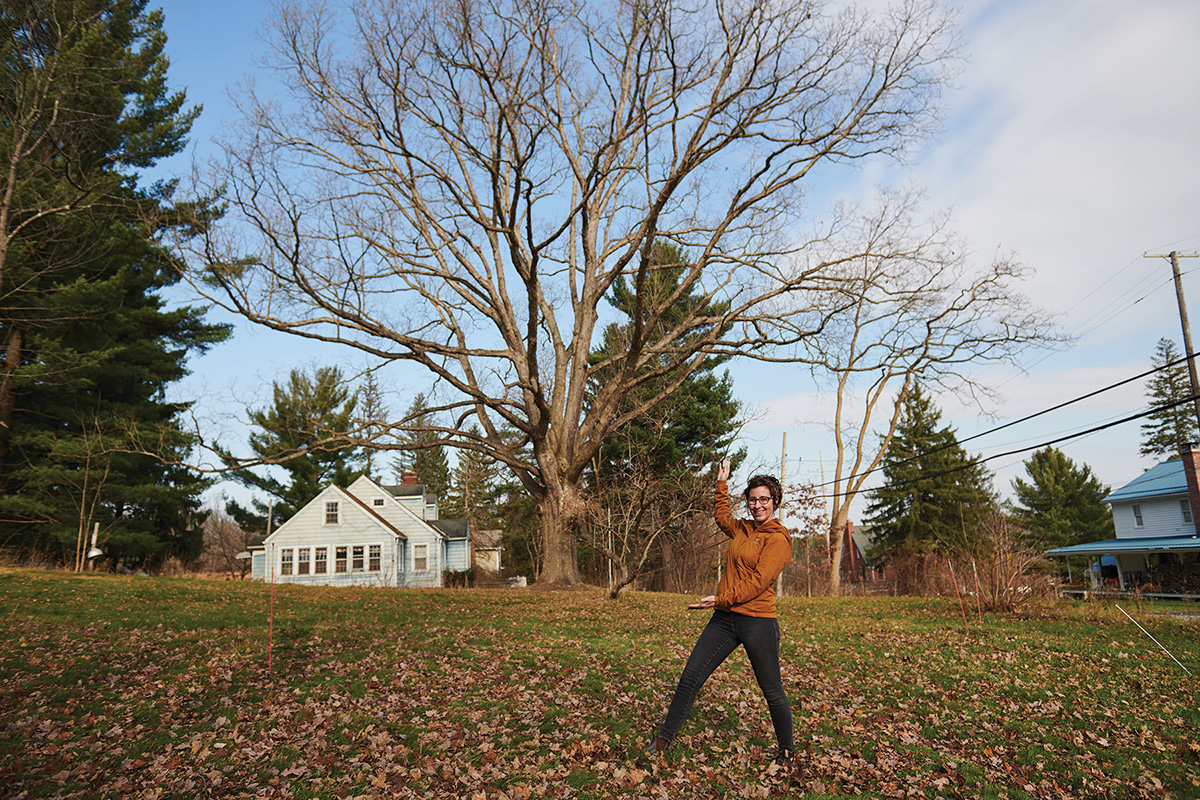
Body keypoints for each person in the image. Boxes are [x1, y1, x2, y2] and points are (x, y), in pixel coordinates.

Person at [649, 456, 795, 764]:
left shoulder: (779, 540)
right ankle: (663, 740)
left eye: (764, 500)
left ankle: (787, 752)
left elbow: (757, 583)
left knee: (772, 690)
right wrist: (721, 483)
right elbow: (721, 516)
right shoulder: (742, 530)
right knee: (690, 677)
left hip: (758, 621)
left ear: (775, 501)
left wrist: (719, 599)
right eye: (753, 500)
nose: (758, 505)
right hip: (725, 620)